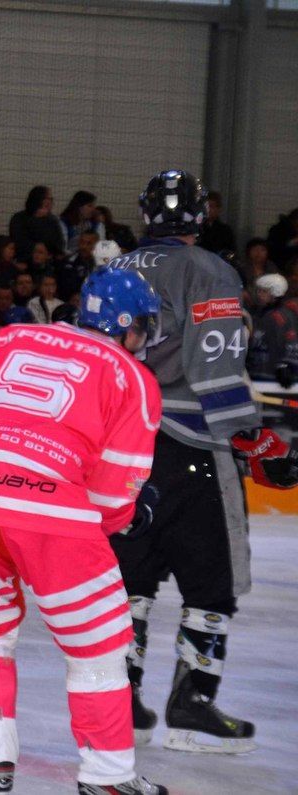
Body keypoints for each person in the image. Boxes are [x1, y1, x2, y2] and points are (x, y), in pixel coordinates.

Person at [0, 265, 167, 795]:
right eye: (141, 327)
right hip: (52, 515)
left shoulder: (6, 338)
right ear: (125, 325)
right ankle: (107, 776)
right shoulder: (133, 377)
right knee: (97, 648)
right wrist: (127, 516)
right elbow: (113, 493)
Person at [109, 169, 298, 756]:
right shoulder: (210, 270)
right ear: (201, 215)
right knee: (212, 583)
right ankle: (191, 705)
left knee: (131, 580)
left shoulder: (114, 270)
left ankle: (117, 704)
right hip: (193, 448)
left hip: (123, 451)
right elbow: (215, 371)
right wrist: (254, 441)